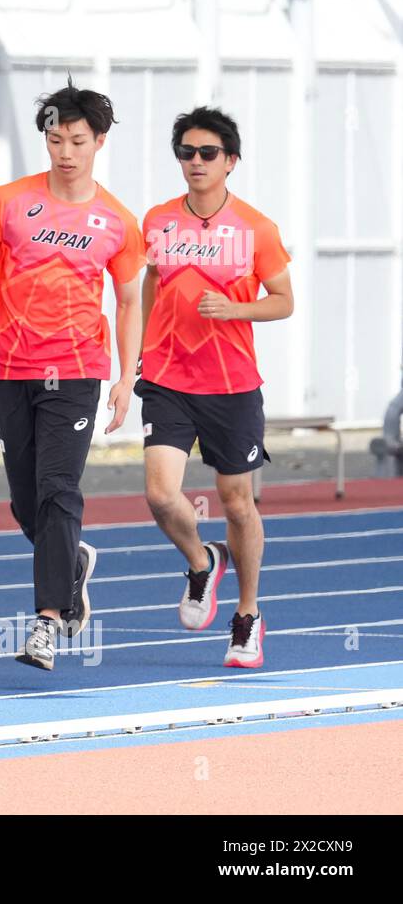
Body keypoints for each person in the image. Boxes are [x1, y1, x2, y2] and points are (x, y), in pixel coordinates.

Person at [0, 80, 144, 671]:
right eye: (55, 138)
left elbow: (131, 300)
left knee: (59, 489)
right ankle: (74, 564)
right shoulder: (9, 201)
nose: (65, 151)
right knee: (24, 499)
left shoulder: (117, 219)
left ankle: (47, 622)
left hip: (79, 368)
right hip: (11, 365)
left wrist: (124, 378)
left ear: (99, 142)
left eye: (77, 141)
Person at [139, 106, 293, 669]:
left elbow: (284, 301)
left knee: (236, 501)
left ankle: (247, 615)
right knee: (159, 494)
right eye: (186, 152)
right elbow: (150, 282)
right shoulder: (157, 220)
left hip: (231, 384)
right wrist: (140, 350)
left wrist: (235, 308)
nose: (196, 162)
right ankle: (202, 561)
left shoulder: (257, 228)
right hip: (166, 378)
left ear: (230, 161)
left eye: (207, 153)